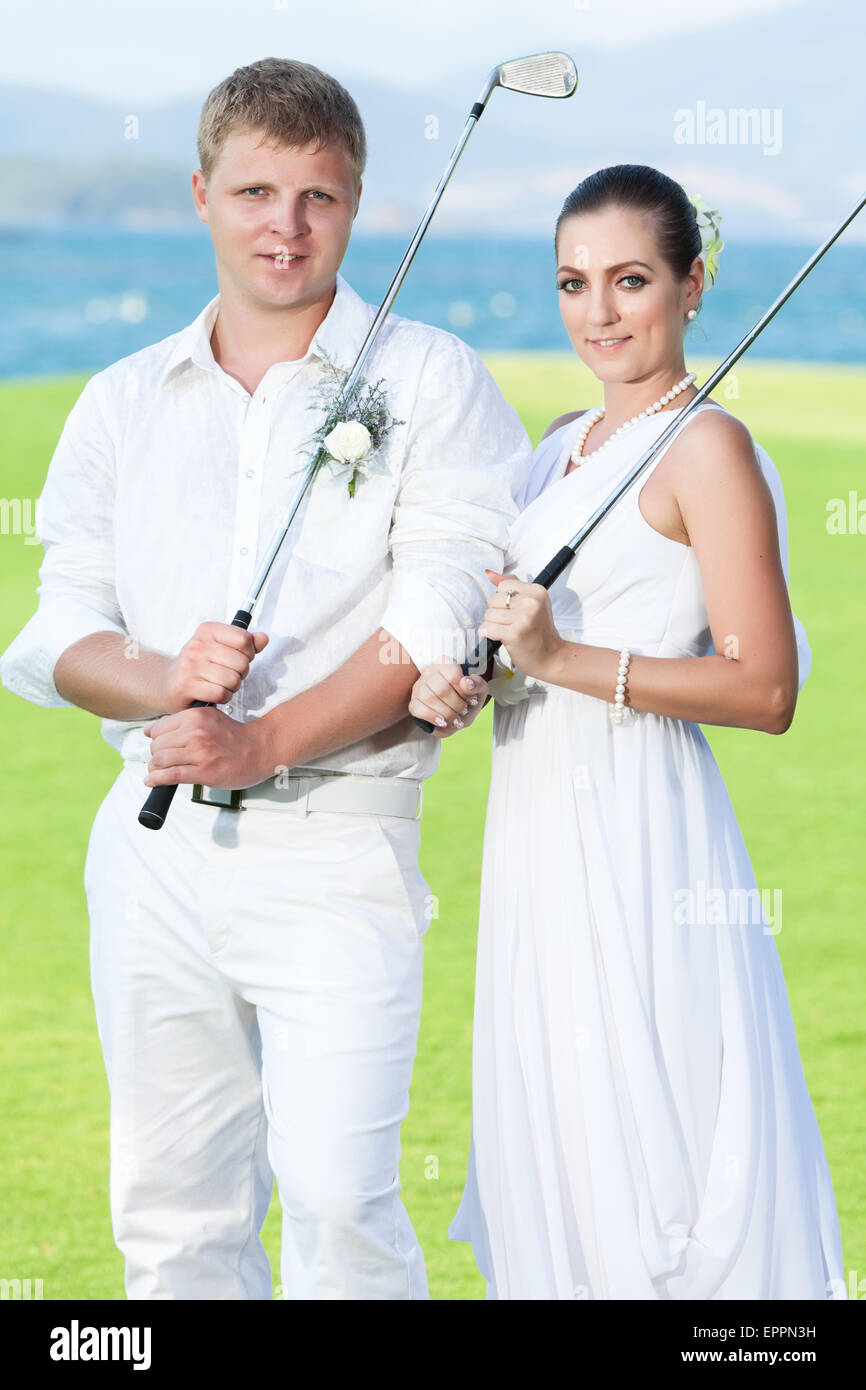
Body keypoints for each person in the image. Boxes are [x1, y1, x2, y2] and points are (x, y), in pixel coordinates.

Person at [0, 57, 534, 1300]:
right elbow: (56, 630)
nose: (283, 226)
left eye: (317, 197)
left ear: (354, 205)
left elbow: (437, 617)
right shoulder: (122, 399)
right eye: (253, 191)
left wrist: (262, 738)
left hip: (338, 855)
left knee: (343, 1207)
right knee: (173, 1219)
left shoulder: (432, 378)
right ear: (200, 194)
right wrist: (157, 677)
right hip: (152, 856)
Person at [408, 164, 847, 1300]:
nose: (597, 311)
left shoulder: (707, 449)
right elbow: (513, 630)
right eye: (571, 281)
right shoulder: (552, 446)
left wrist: (561, 660)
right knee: (555, 1121)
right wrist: (480, 674)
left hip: (643, 831)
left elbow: (764, 687)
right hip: (533, 825)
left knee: (652, 1137)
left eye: (630, 278)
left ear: (692, 285)